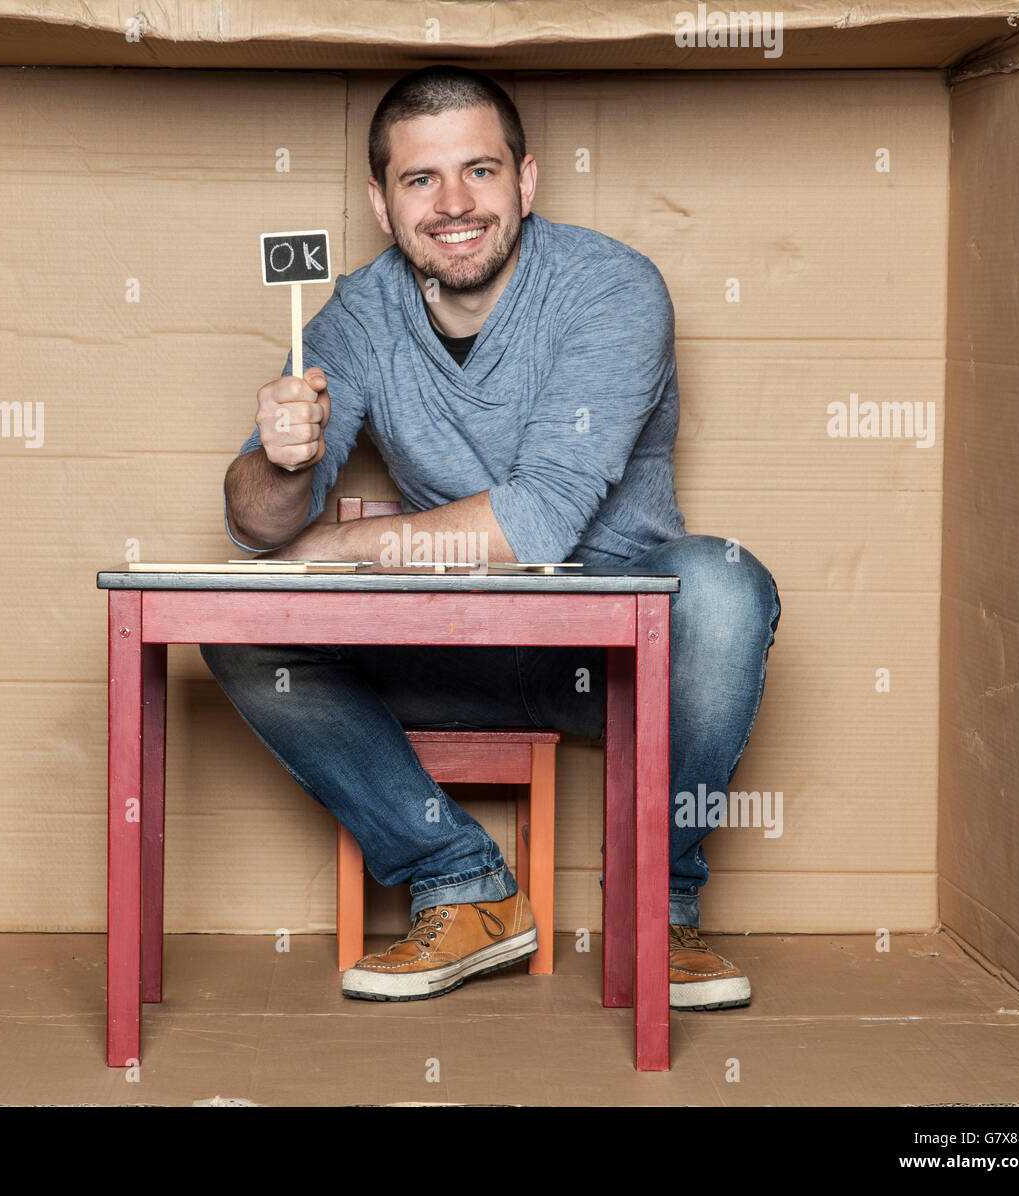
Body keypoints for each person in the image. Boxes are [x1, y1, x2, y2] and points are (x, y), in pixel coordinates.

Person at [202, 64, 781, 1010]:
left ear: (527, 181)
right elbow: (256, 526)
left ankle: (659, 910)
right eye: (421, 180)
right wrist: (281, 458)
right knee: (236, 620)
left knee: (722, 584)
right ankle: (464, 883)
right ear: (383, 206)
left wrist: (336, 550)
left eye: (480, 170)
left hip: (615, 648)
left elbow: (540, 521)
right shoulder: (351, 314)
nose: (455, 204)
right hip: (453, 636)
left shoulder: (611, 287)